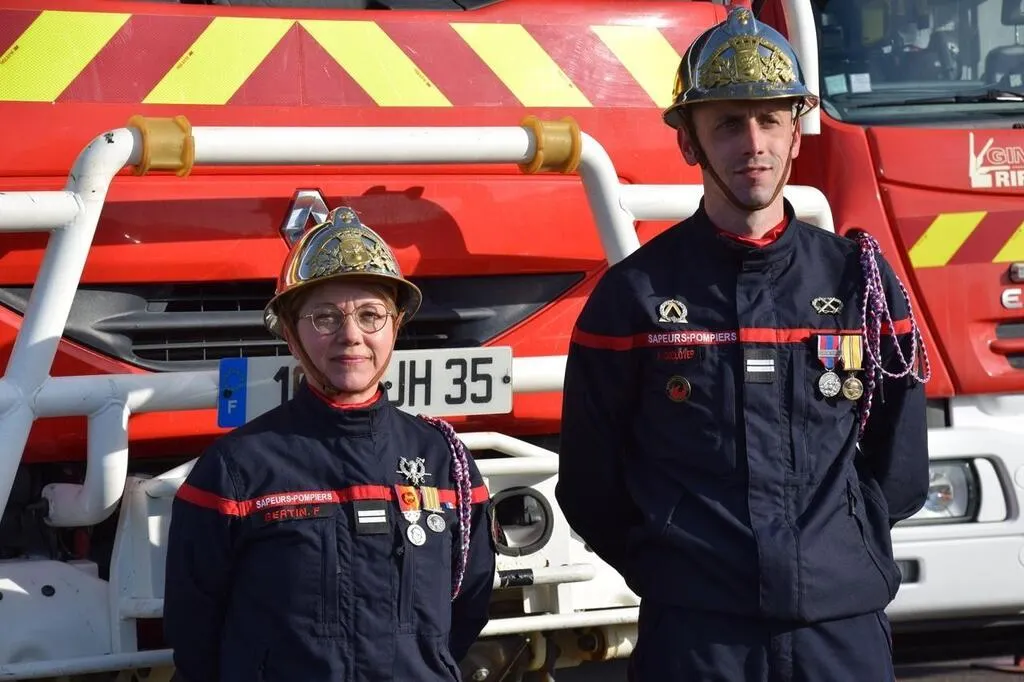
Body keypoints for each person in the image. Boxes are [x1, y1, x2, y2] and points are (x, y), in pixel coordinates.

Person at [555, 7, 930, 681]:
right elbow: (590, 486)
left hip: (837, 633)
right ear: (690, 142)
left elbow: (898, 465)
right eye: (728, 123)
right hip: (698, 640)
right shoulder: (633, 296)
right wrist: (676, 571)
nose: (752, 142)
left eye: (770, 120)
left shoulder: (859, 283)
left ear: (795, 133)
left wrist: (843, 549)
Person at [164, 206, 495, 682]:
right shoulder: (235, 470)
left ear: (396, 325)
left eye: (371, 315)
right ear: (291, 336)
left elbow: (469, 606)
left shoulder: (443, 461)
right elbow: (195, 633)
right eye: (324, 318)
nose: (351, 336)